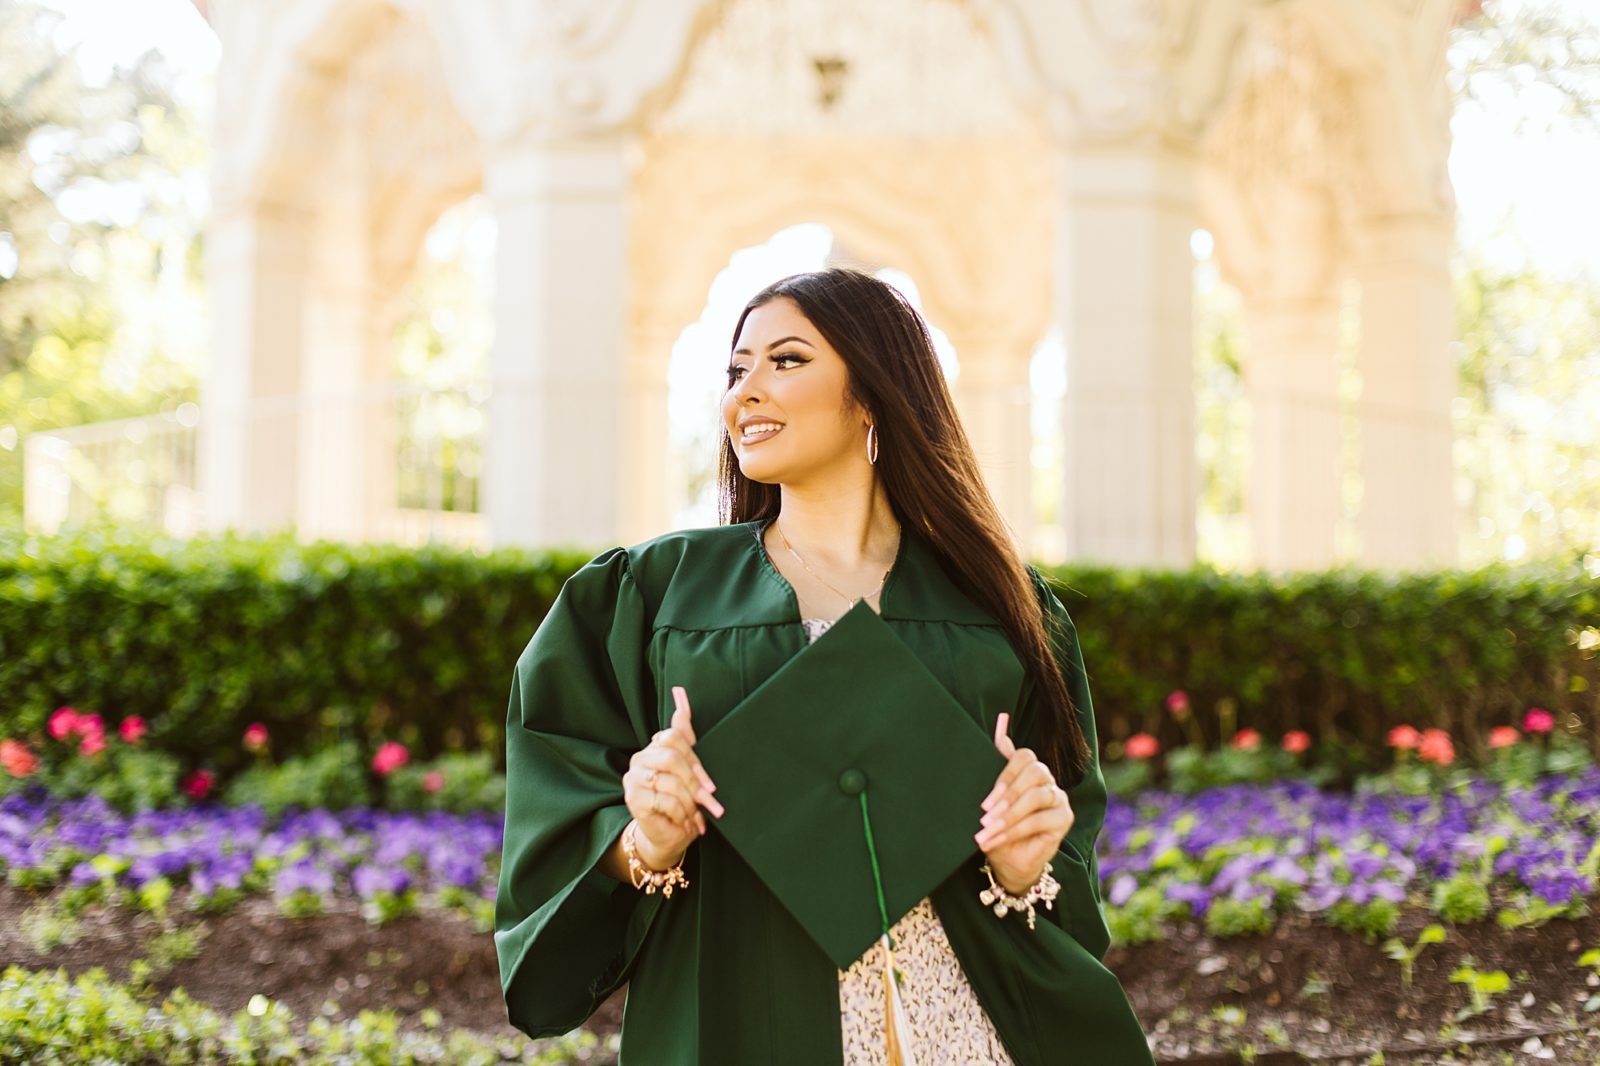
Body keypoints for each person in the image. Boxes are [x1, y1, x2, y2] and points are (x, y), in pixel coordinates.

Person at [494, 267, 1156, 1065]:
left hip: (961, 1025)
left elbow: (1065, 849)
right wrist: (645, 841)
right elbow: (559, 809)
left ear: (874, 392)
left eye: (787, 360)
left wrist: (1023, 868)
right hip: (740, 1014)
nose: (746, 392)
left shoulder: (1001, 611)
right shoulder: (648, 597)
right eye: (737, 370)